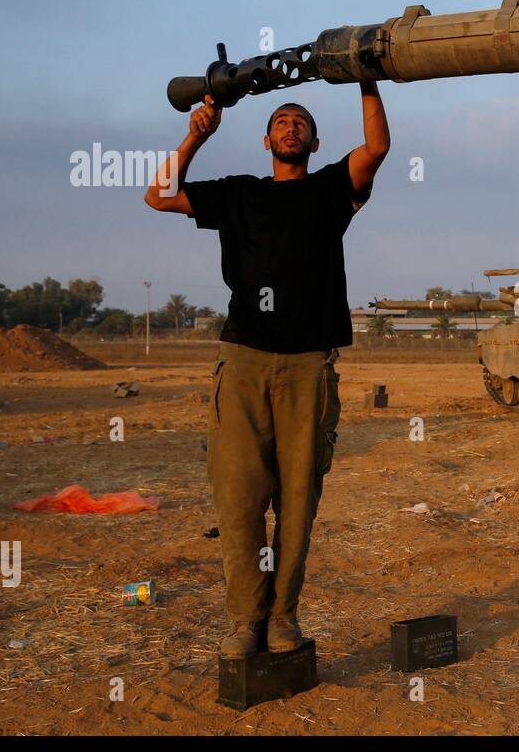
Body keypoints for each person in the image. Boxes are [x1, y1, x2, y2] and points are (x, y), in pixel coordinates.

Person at [144, 84, 389, 657]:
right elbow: (159, 195)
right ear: (265, 140)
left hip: (309, 365)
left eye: (300, 121)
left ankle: (283, 617)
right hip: (245, 359)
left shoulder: (333, 190)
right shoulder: (238, 195)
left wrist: (365, 77)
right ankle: (242, 620)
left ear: (314, 140)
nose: (290, 127)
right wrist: (196, 136)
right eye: (281, 120)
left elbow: (376, 147)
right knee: (240, 498)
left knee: (298, 500)